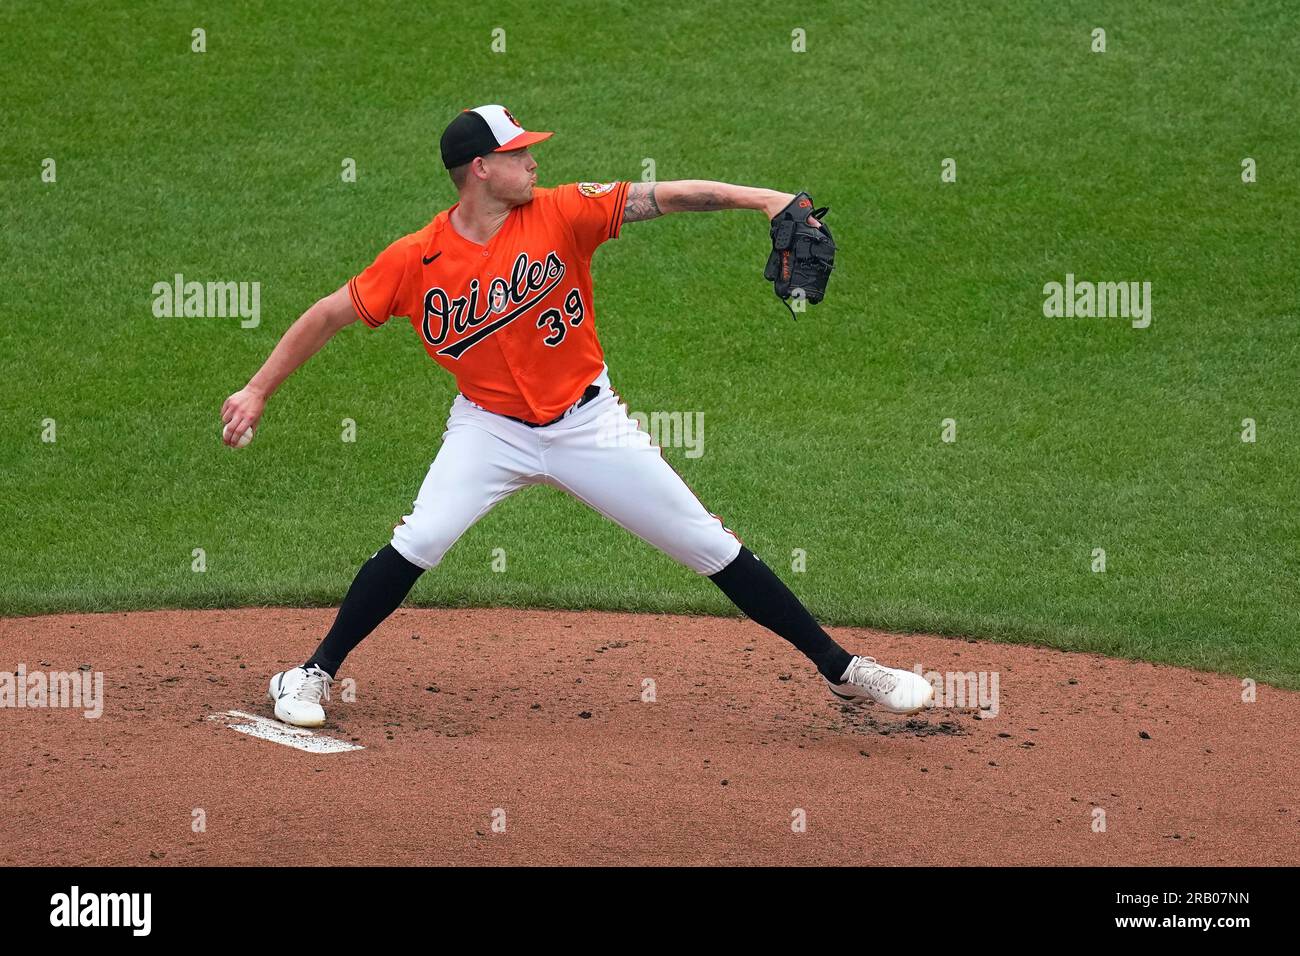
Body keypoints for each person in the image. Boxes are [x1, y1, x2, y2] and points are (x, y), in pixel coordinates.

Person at [219, 104, 934, 729]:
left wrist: (768, 199)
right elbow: (328, 314)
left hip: (587, 424)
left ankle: (844, 669)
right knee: (424, 536)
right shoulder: (418, 258)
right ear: (479, 170)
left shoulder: (562, 210)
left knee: (705, 542)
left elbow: (672, 196)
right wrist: (257, 390)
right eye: (518, 153)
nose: (534, 161)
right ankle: (310, 672)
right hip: (488, 429)